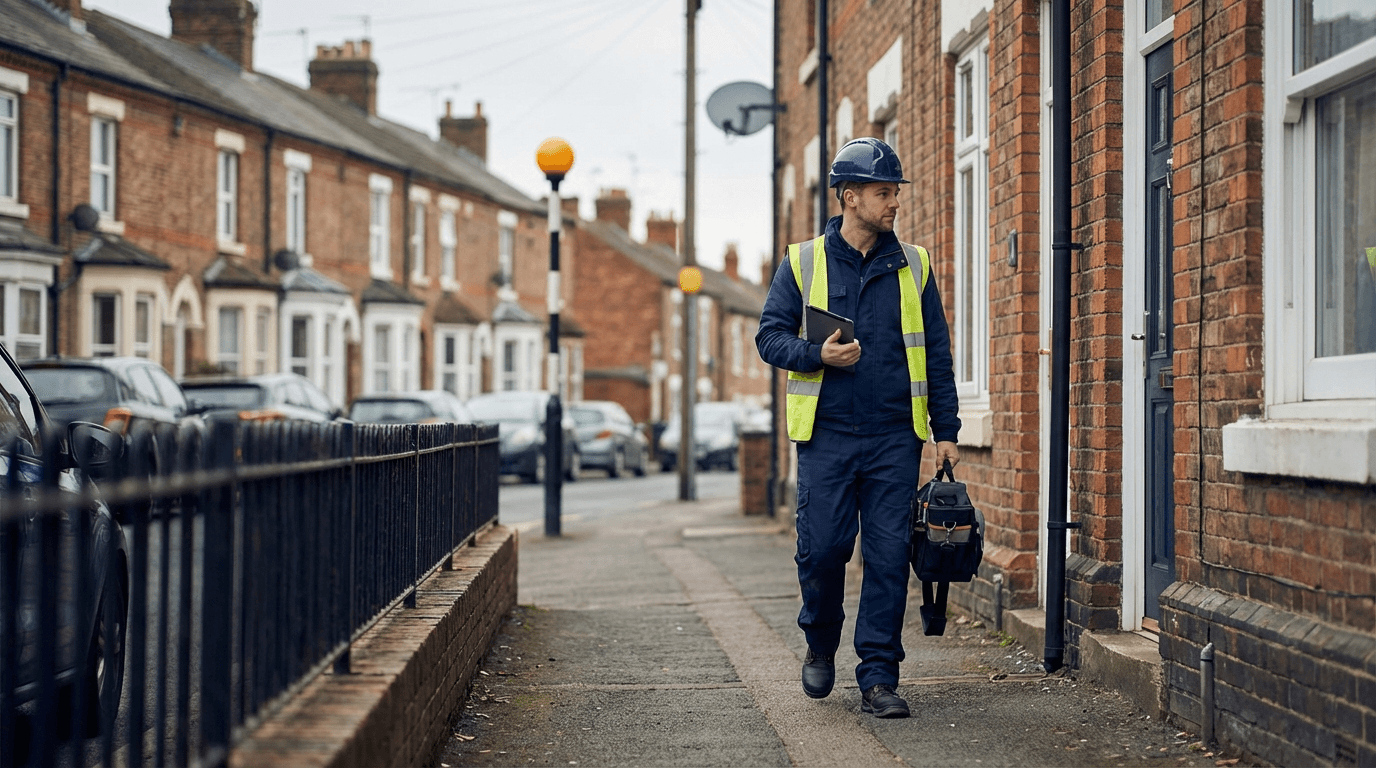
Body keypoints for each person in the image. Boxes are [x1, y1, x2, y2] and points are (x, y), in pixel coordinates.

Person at [755, 137, 961, 718]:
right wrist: (817, 354)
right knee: (822, 551)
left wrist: (945, 429)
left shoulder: (914, 265)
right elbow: (769, 338)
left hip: (897, 436)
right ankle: (820, 643)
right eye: (882, 192)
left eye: (895, 191)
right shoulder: (802, 262)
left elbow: (937, 356)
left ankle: (878, 676)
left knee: (890, 558)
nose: (894, 201)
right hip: (827, 437)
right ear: (849, 197)